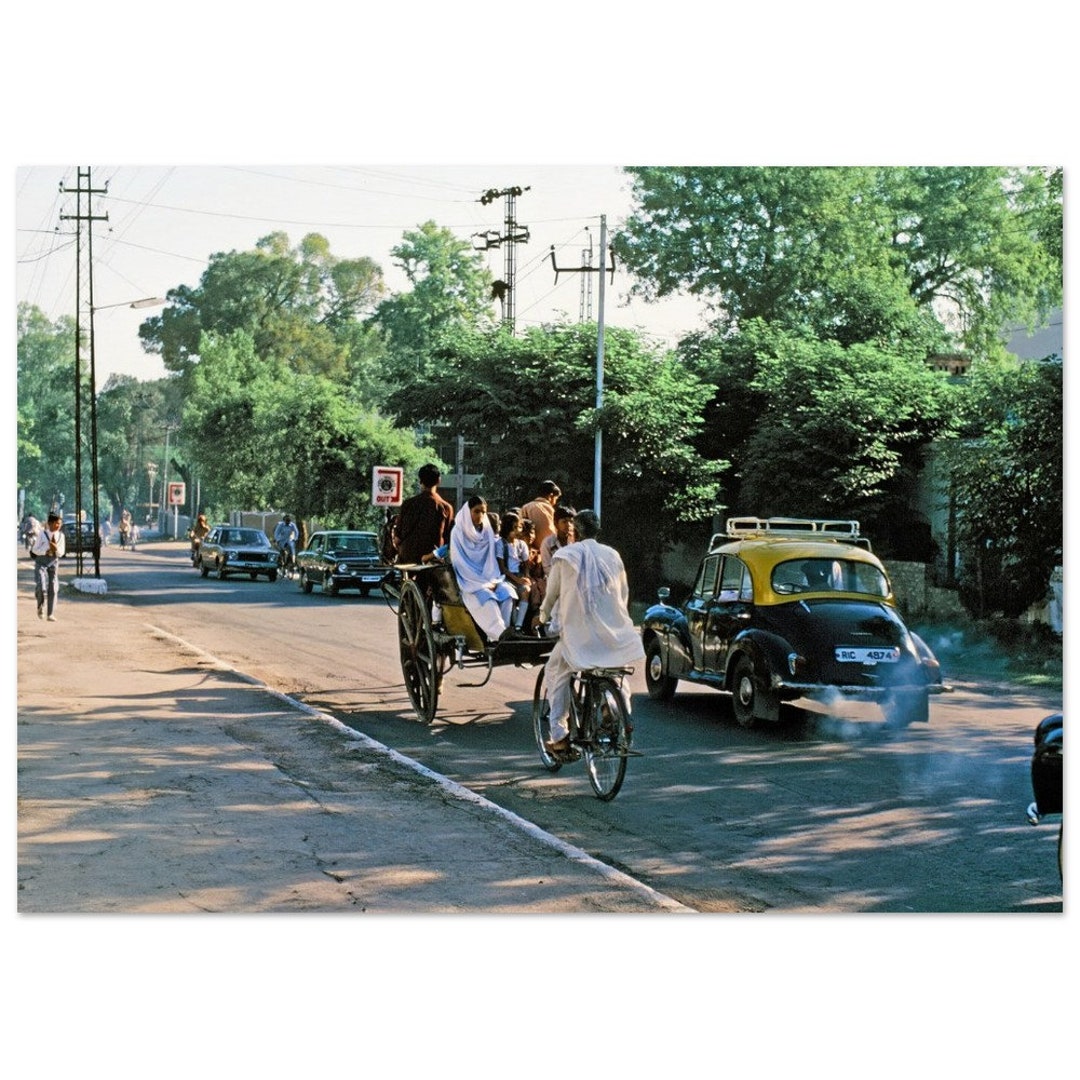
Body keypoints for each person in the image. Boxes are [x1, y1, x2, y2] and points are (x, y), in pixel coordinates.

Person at [537, 509, 645, 755]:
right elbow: (623, 594)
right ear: (598, 530)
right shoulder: (613, 555)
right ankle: (614, 707)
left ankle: (559, 736)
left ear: (575, 531)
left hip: (579, 638)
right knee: (616, 672)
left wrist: (542, 617)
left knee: (556, 670)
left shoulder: (564, 556)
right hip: (613, 634)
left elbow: (552, 595)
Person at [449, 495, 516, 642]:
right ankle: (499, 635)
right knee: (488, 599)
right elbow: (459, 562)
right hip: (469, 580)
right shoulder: (458, 532)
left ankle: (505, 632)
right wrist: (480, 583)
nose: (480, 516)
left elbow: (490, 560)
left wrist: (491, 580)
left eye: (483, 512)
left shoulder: (487, 531)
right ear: (468, 512)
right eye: (476, 511)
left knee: (507, 593)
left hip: (489, 577)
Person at [394, 463, 455, 565]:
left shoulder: (407, 504)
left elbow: (397, 539)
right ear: (439, 481)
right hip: (432, 565)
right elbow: (448, 542)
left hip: (407, 563)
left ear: (420, 481)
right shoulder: (446, 508)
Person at [495, 511, 532, 631]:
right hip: (506, 576)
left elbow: (526, 563)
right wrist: (516, 580)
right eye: (514, 527)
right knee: (511, 595)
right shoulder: (500, 544)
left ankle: (518, 625)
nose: (517, 531)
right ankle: (509, 626)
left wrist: (526, 576)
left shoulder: (521, 544)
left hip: (519, 575)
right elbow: (502, 568)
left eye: (519, 527)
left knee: (525, 591)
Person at [31, 512, 66, 621]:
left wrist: (55, 549)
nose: (58, 526)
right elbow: (34, 550)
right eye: (56, 523)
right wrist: (45, 551)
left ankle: (50, 614)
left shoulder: (61, 536)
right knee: (41, 586)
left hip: (54, 562)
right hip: (41, 562)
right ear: (50, 524)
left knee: (53, 588)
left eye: (60, 524)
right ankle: (40, 606)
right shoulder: (42, 534)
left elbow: (62, 552)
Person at [520, 480, 562, 554]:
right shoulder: (550, 509)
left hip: (528, 552)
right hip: (547, 552)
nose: (555, 502)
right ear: (551, 496)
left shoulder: (525, 507)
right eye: (556, 499)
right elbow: (551, 532)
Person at [540, 504, 576, 573]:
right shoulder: (548, 542)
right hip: (555, 579)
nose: (568, 525)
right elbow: (547, 568)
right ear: (555, 523)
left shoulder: (577, 541)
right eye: (564, 521)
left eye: (571, 521)